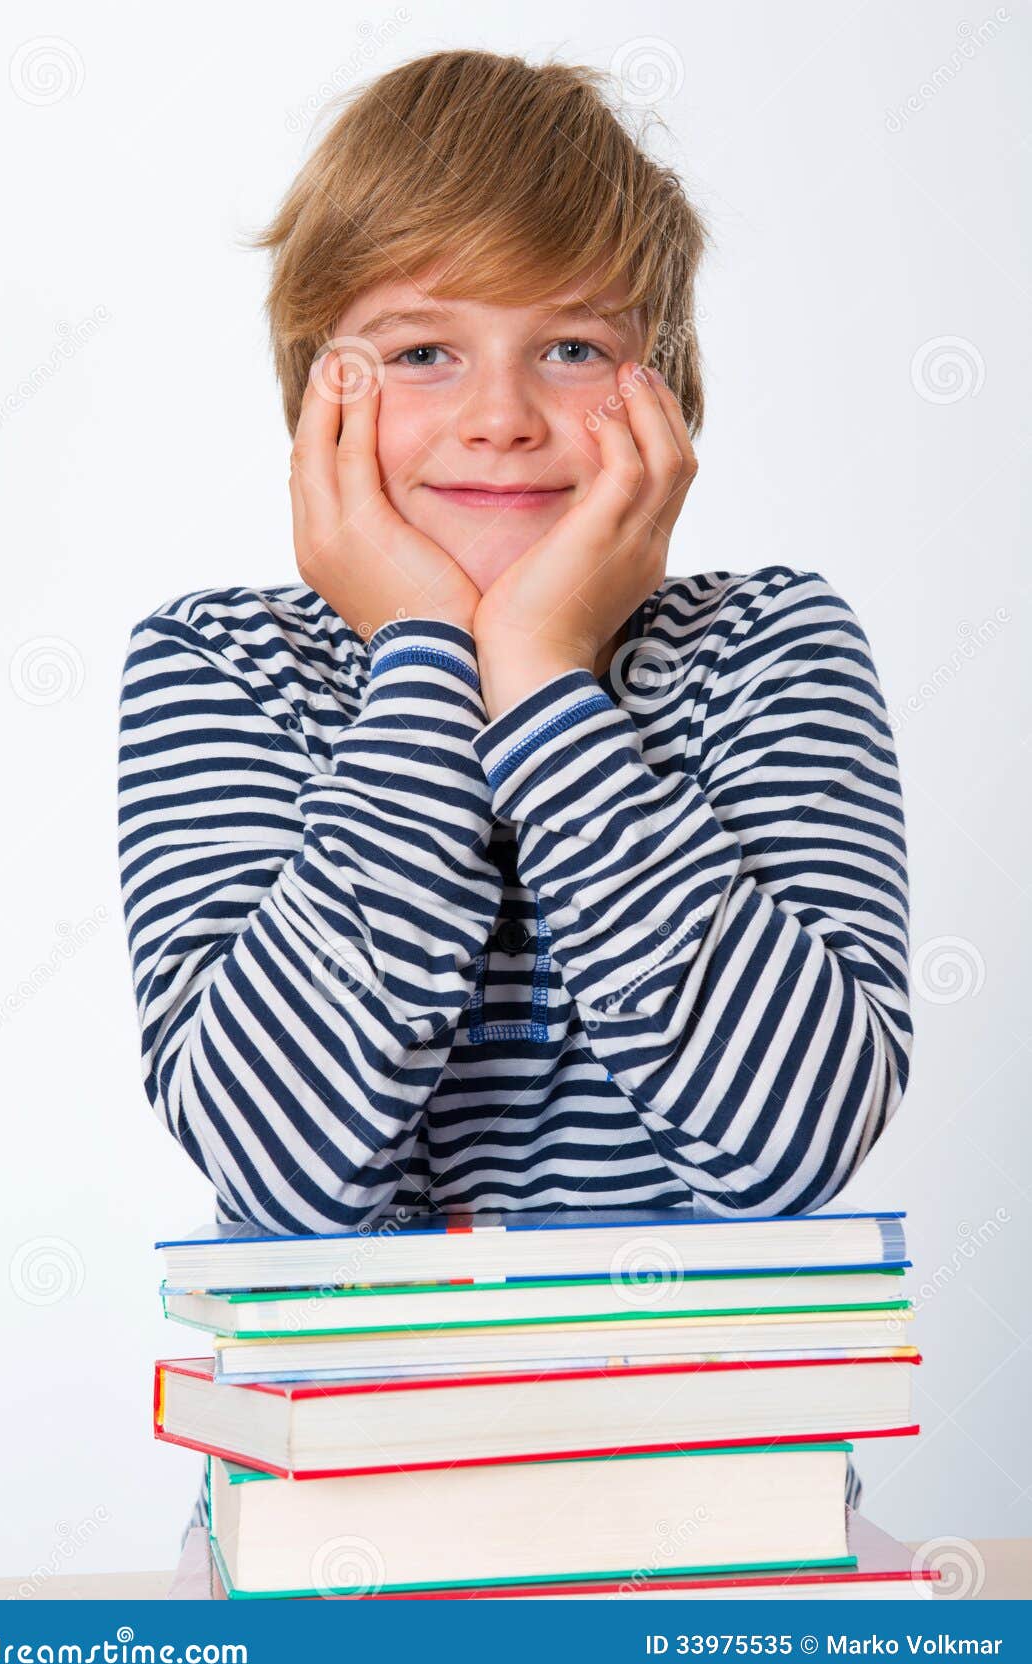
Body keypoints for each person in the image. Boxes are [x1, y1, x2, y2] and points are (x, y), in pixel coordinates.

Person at [118, 48, 909, 1550]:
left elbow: (792, 1143)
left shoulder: (775, 648)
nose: (500, 417)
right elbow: (283, 1159)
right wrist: (427, 657)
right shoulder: (214, 666)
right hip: (335, 1547)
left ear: (665, 394)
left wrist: (545, 672)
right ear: (316, 403)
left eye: (569, 348)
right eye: (423, 353)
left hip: (721, 1533)